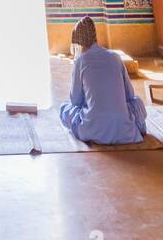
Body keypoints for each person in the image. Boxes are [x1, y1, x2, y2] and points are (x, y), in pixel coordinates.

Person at [59, 16, 147, 145]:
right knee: (137, 102)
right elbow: (130, 95)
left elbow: (75, 101)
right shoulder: (115, 57)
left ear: (78, 42)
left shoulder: (80, 61)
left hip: (92, 128)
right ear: (95, 36)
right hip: (123, 129)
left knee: (64, 109)